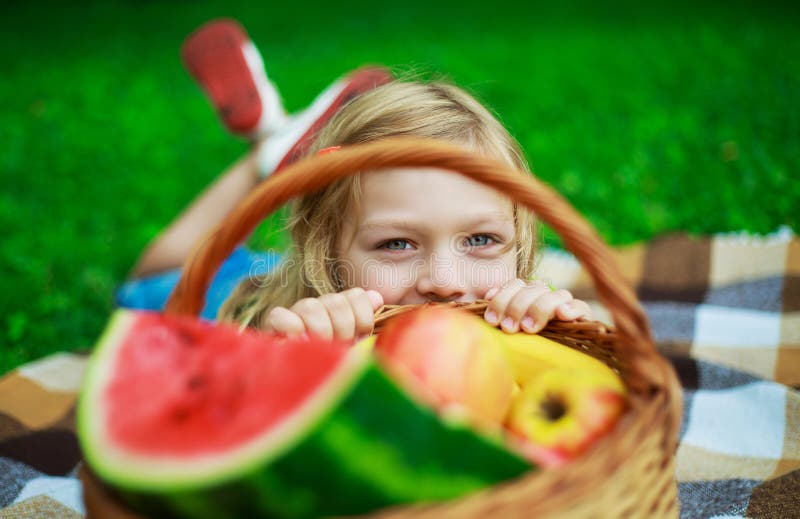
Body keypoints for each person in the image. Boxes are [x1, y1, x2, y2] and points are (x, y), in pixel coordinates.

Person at [120, 18, 592, 340]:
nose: (446, 282)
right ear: (326, 252)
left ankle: (276, 144)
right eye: (396, 244)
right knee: (155, 276)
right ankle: (267, 161)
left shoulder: (513, 316)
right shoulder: (283, 332)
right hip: (222, 290)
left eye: (483, 238)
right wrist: (300, 366)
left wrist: (566, 334)